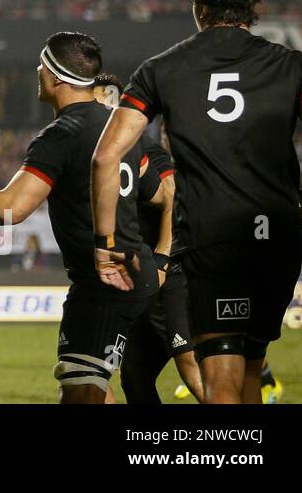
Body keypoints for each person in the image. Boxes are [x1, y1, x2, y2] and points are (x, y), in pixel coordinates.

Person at [92, 0, 302, 404]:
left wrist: (104, 243)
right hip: (278, 235)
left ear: (199, 6)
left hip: (213, 238)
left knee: (222, 379)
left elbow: (105, 156)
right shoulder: (294, 66)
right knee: (251, 370)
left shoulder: (159, 69)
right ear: (253, 7)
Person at [0, 32, 157, 403]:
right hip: (139, 271)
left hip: (106, 281)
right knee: (96, 385)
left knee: (81, 392)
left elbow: (14, 206)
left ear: (57, 76)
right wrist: (164, 256)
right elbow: (159, 194)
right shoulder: (119, 123)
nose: (37, 70)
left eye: (42, 64)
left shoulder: (62, 134)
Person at [91, 74, 203, 403]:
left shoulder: (148, 152)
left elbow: (170, 197)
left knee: (189, 363)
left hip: (168, 277)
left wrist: (163, 260)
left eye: (107, 107)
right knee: (135, 376)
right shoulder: (96, 156)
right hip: (137, 280)